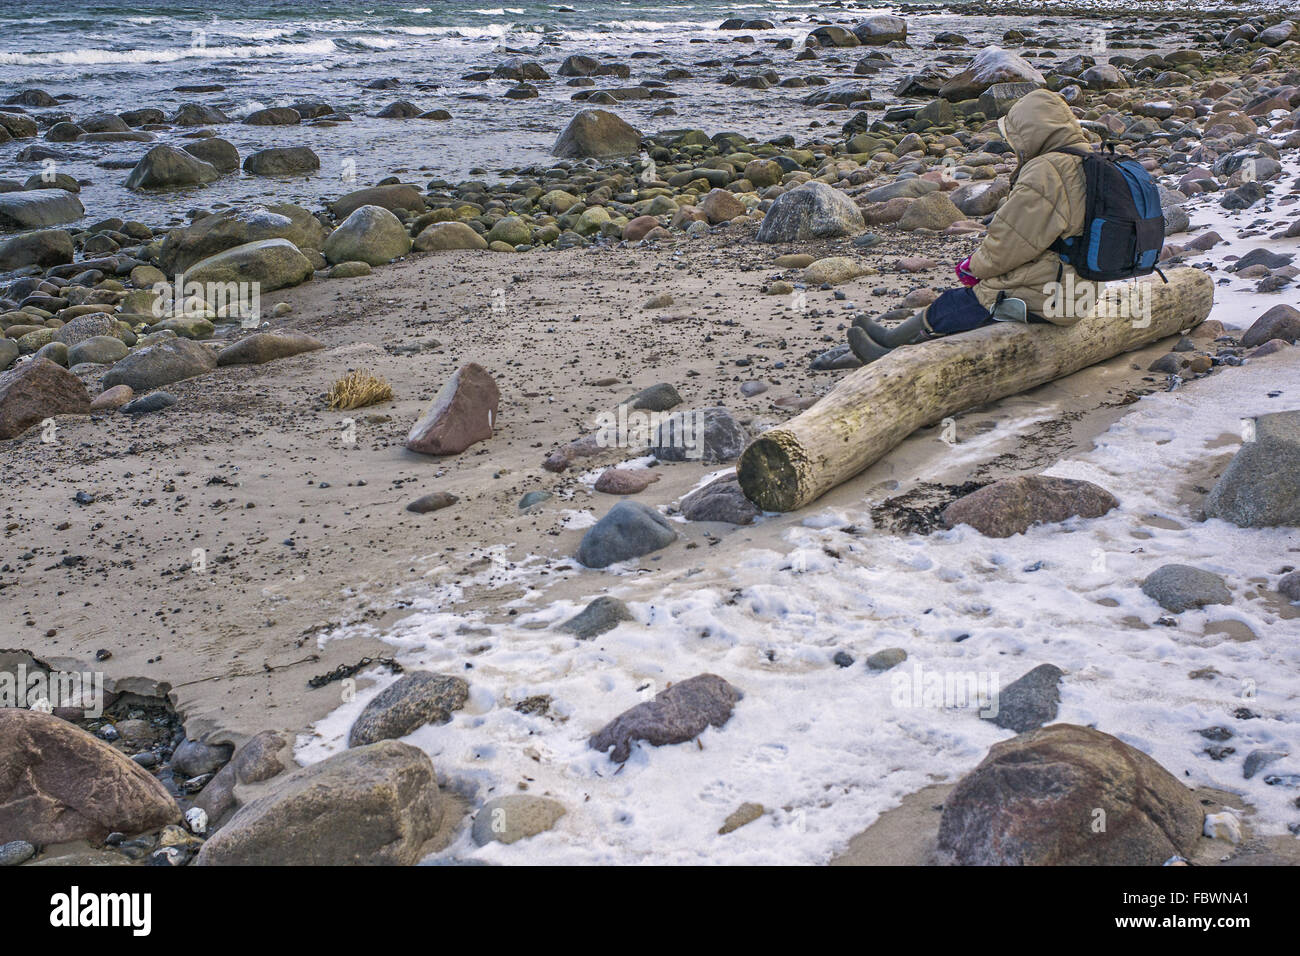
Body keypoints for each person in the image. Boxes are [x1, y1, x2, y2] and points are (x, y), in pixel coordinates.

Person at [847, 89, 1102, 363]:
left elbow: (1010, 242)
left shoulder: (1047, 171)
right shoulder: (1091, 161)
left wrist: (973, 267)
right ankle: (895, 340)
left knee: (959, 303)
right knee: (979, 296)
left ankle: (889, 353)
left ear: (1033, 131)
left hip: (1049, 297)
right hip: (1082, 292)